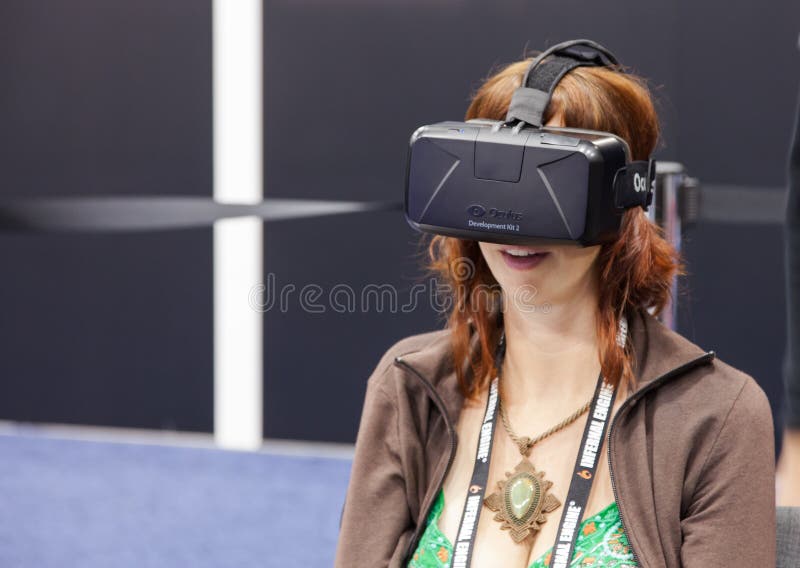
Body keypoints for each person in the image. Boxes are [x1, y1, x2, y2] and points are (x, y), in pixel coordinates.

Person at [335, 49, 776, 568]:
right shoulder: (413, 387)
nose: (519, 226)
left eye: (554, 180)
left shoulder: (713, 415)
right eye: (495, 173)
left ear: (624, 200)